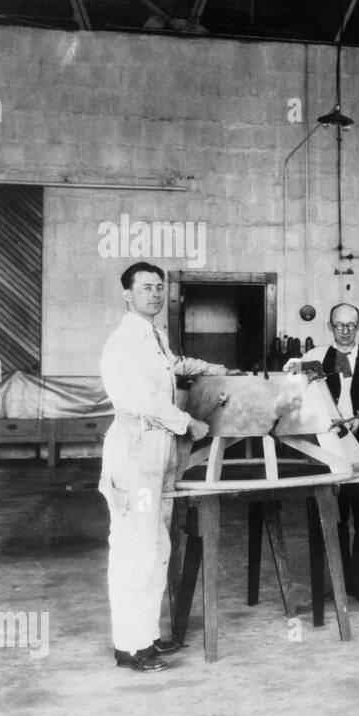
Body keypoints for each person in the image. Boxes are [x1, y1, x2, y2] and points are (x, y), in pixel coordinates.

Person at [99, 262, 228, 673]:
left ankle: (147, 637)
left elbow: (172, 367)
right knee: (136, 549)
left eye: (159, 287)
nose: (155, 294)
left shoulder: (154, 337)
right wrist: (190, 422)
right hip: (135, 451)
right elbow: (144, 400)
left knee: (157, 547)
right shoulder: (123, 342)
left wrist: (212, 370)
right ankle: (130, 647)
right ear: (127, 295)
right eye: (146, 288)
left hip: (158, 451)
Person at [301, 304, 359, 603]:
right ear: (330, 326)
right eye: (339, 325)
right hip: (327, 447)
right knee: (334, 517)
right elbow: (297, 396)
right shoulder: (314, 357)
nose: (345, 330)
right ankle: (338, 581)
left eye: (351, 325)